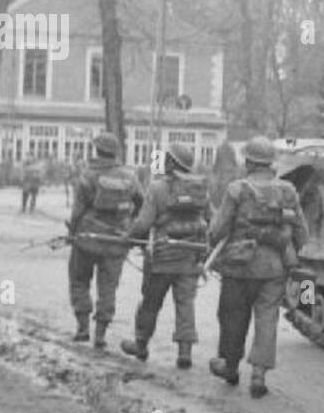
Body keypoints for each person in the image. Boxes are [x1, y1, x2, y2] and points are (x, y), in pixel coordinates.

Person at [208, 135, 308, 397]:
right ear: (271, 163)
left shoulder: (237, 189)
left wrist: (212, 241)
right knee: (267, 319)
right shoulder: (288, 191)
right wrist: (291, 253)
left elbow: (218, 229)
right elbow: (302, 232)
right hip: (274, 268)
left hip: (238, 266)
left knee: (232, 315)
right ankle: (258, 377)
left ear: (250, 163)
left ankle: (230, 367)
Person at [121, 144, 210, 369]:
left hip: (162, 258)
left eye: (167, 158)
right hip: (190, 258)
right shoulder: (200, 188)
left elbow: (143, 223)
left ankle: (141, 345)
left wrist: (128, 238)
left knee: (150, 303)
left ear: (171, 162)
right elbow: (210, 220)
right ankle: (185, 353)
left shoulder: (157, 187)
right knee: (186, 304)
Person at [66, 132, 143, 349]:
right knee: (108, 288)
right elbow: (141, 203)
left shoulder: (87, 175)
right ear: (116, 152)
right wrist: (130, 226)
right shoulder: (130, 177)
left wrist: (73, 231)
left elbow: (77, 210)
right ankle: (100, 335)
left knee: (79, 281)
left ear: (97, 150)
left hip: (87, 239)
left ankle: (82, 328)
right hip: (117, 241)